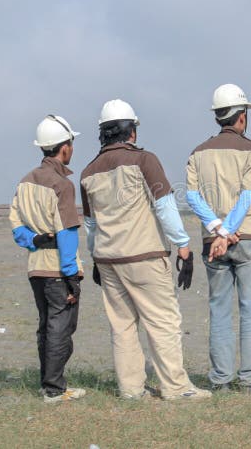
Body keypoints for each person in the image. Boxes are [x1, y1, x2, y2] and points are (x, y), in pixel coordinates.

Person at [81, 99, 210, 401]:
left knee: (122, 326)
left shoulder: (87, 172)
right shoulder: (144, 160)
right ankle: (176, 388)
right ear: (132, 132)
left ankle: (130, 389)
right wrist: (183, 246)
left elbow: (90, 224)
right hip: (146, 255)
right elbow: (164, 207)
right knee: (163, 322)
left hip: (108, 258)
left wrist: (96, 260)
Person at [186, 83, 251, 392]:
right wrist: (229, 230)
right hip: (247, 237)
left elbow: (192, 197)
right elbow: (248, 194)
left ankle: (220, 380)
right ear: (242, 116)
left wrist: (217, 230)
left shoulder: (198, 153)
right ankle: (250, 377)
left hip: (213, 244)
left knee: (219, 310)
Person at [9, 115, 86, 403]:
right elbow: (66, 233)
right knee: (61, 327)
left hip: (35, 266)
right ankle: (54, 389)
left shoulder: (25, 181)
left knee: (46, 325)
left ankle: (49, 383)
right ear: (64, 147)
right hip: (57, 268)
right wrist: (70, 276)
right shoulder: (62, 185)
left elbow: (15, 223)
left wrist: (32, 240)